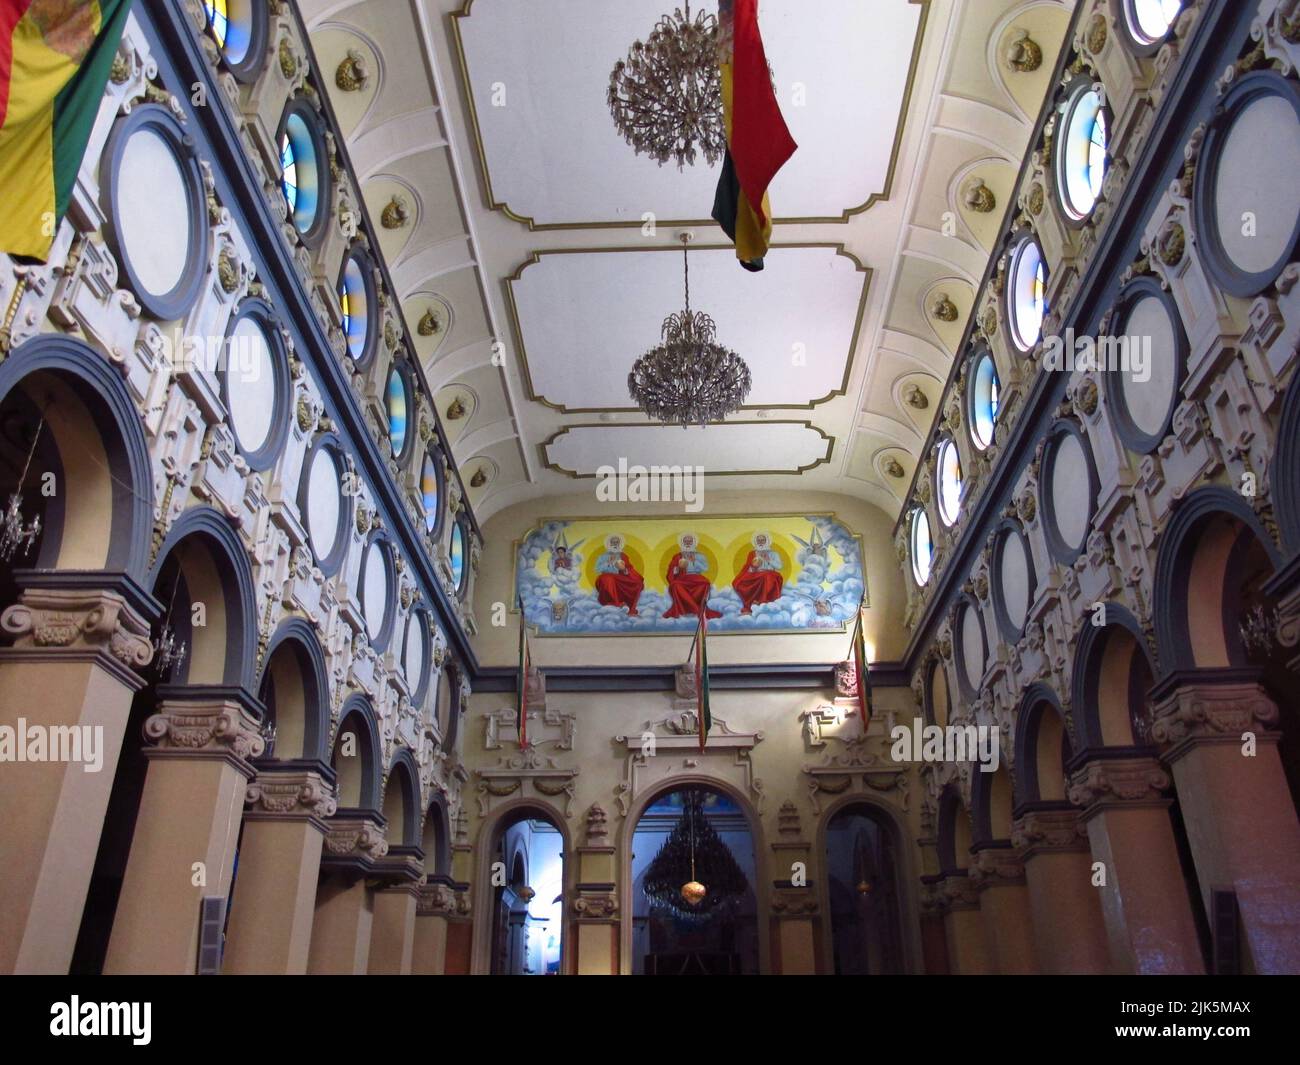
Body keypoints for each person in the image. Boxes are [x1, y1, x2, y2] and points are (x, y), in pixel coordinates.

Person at [663, 532, 721, 619]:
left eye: (690, 541)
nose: (688, 543)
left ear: (694, 543)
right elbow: (671, 571)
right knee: (675, 585)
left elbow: (705, 568)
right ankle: (695, 609)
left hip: (696, 577)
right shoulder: (678, 556)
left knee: (705, 584)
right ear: (682, 543)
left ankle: (696, 608)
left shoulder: (699, 556)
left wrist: (694, 561)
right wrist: (678, 568)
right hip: (682, 578)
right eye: (685, 541)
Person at [732, 531, 784, 614]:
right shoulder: (752, 553)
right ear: (755, 542)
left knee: (766, 576)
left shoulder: (773, 553)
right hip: (756, 574)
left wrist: (768, 559)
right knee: (740, 582)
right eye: (758, 540)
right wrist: (753, 567)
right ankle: (752, 604)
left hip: (770, 575)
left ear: (767, 541)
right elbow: (748, 567)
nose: (760, 542)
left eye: (762, 540)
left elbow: (779, 566)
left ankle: (764, 602)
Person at [594, 534, 644, 616]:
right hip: (605, 577)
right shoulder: (603, 556)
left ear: (619, 544)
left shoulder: (623, 556)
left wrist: (624, 569)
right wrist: (608, 562)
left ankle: (630, 608)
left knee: (637, 583)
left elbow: (629, 569)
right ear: (609, 544)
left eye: (616, 543)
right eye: (613, 542)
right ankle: (613, 603)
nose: (615, 544)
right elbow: (597, 569)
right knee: (608, 579)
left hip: (620, 577)